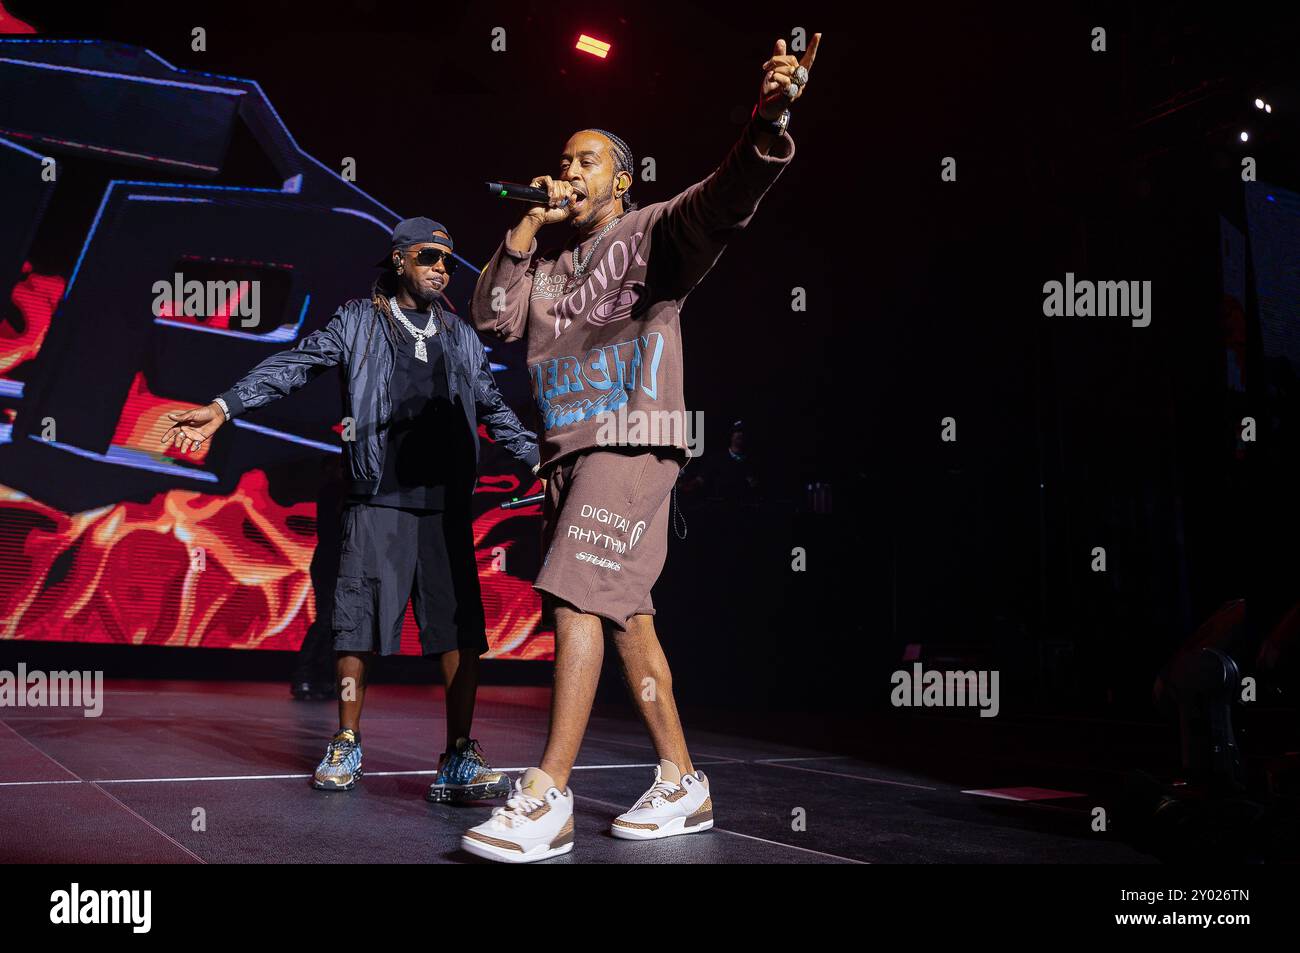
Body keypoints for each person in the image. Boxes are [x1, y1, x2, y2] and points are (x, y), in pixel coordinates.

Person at [461, 34, 821, 862]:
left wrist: (769, 119)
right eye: (564, 159)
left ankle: (548, 792)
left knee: (573, 597)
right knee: (626, 615)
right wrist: (525, 220)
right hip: (565, 455)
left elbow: (726, 196)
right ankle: (682, 777)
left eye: (588, 161)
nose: (571, 170)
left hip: (633, 438)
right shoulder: (546, 268)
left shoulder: (655, 232)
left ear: (622, 180)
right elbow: (490, 315)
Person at [161, 217, 541, 803]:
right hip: (377, 498)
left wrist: (539, 459)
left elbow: (493, 408)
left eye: (448, 260)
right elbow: (294, 364)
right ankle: (346, 740)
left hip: (444, 507)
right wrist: (223, 406)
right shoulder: (358, 321)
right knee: (356, 624)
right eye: (428, 257)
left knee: (460, 632)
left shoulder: (462, 337)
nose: (442, 267)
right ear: (398, 260)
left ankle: (459, 754)